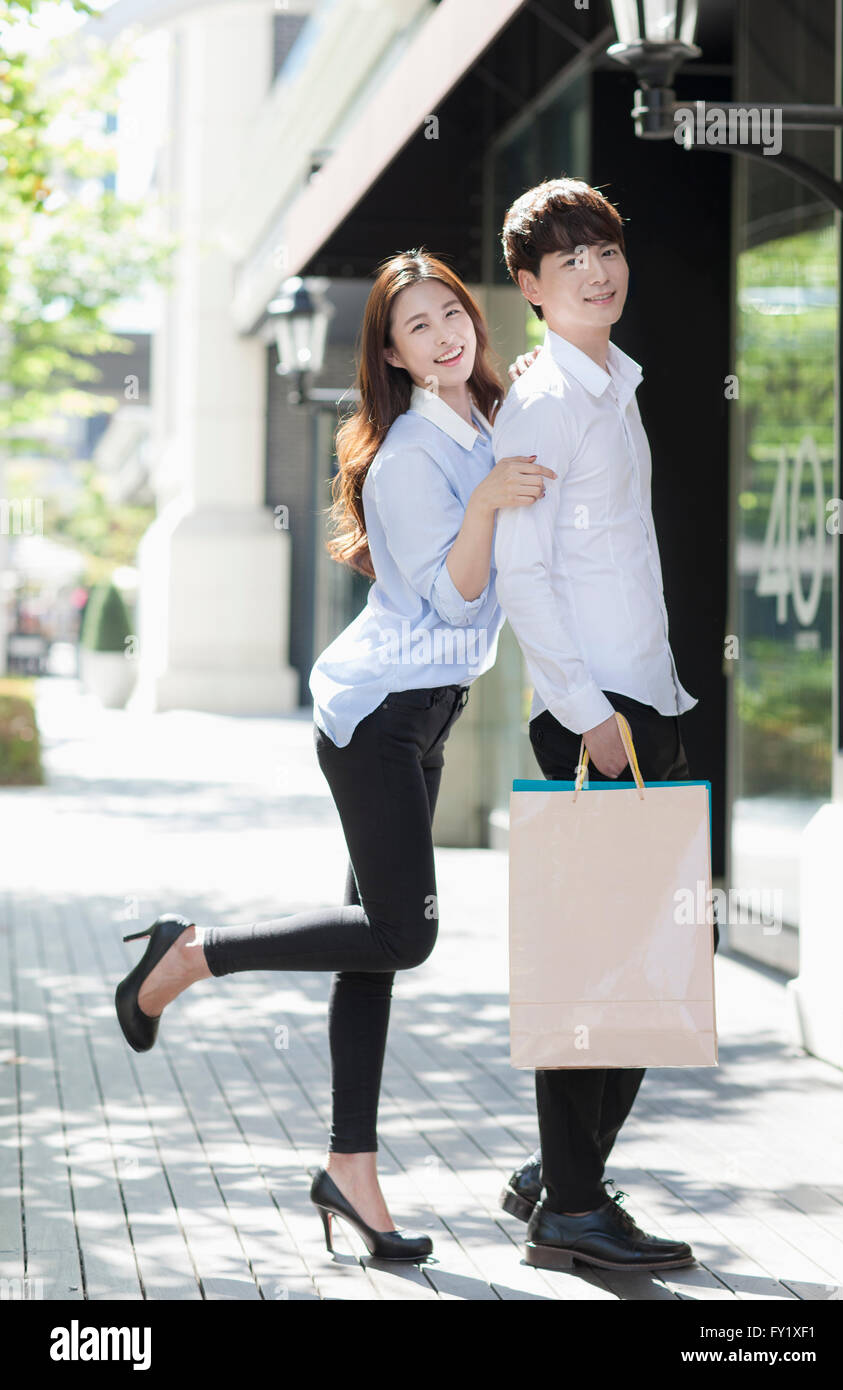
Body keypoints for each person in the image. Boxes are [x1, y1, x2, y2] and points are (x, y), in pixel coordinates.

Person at [114, 249, 554, 1263]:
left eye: (453, 312)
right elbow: (450, 598)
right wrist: (486, 503)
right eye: (417, 327)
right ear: (390, 356)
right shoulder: (406, 458)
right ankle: (189, 955)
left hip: (426, 710)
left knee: (373, 941)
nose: (445, 333)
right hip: (375, 717)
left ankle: (348, 1172)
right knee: (403, 936)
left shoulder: (482, 421)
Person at [491, 178, 720, 1274]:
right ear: (529, 288)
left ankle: (557, 1169)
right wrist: (589, 719)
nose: (597, 267)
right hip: (596, 716)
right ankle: (572, 1205)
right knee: (596, 964)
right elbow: (520, 574)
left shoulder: (608, 384)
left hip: (645, 697)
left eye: (606, 247)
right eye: (569, 257)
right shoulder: (541, 401)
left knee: (657, 952)